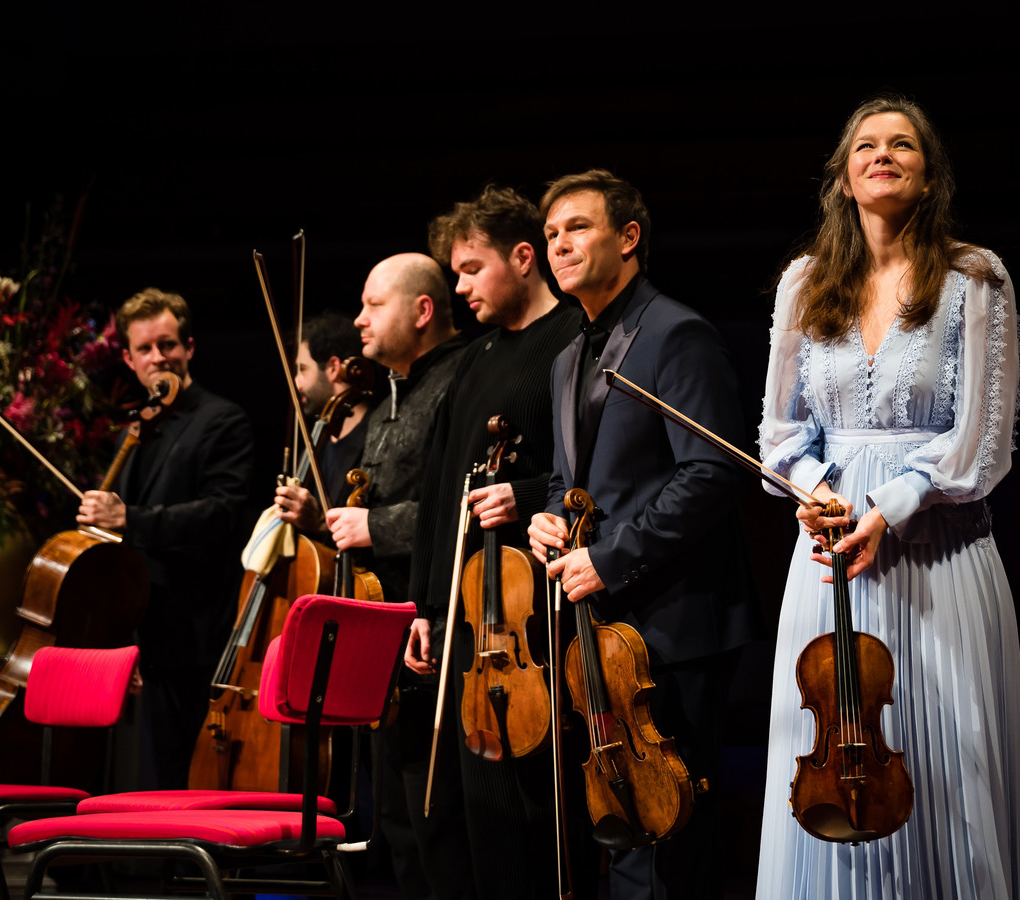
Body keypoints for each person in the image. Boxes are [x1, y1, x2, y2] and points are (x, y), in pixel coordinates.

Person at [755, 95, 1020, 898]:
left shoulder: (976, 278)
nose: (883, 155)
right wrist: (816, 491)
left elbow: (981, 443)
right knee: (833, 758)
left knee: (953, 762)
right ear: (844, 179)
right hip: (831, 557)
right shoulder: (803, 283)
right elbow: (780, 437)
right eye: (866, 147)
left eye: (903, 145)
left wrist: (890, 506)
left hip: (939, 555)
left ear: (928, 174)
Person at [527, 169, 759, 899]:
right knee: (623, 826)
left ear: (629, 238)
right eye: (552, 233)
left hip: (678, 618)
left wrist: (609, 558)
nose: (559, 244)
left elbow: (713, 473)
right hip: (606, 627)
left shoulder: (675, 332)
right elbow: (584, 487)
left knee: (671, 837)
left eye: (578, 227)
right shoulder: (569, 354)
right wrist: (554, 523)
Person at [405, 185, 584, 899]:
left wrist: (531, 491)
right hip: (463, 620)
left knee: (527, 819)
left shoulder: (572, 340)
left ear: (523, 257)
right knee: (460, 821)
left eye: (472, 269)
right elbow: (438, 493)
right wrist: (421, 606)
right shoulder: (472, 361)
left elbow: (584, 474)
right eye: (454, 272)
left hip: (528, 617)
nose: (459, 286)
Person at [276, 253, 473, 900]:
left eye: (373, 305)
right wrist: (320, 524)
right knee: (393, 819)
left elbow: (469, 503)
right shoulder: (391, 390)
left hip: (434, 625)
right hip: (378, 628)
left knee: (432, 819)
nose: (358, 321)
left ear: (421, 311)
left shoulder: (460, 381)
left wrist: (376, 527)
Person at [76, 288, 254, 790]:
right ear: (129, 360)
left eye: (169, 344)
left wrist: (127, 517)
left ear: (190, 347)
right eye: (147, 349)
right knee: (162, 779)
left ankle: (210, 868)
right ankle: (168, 870)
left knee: (204, 776)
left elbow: (221, 515)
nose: (160, 358)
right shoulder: (135, 432)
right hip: (148, 630)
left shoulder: (222, 420)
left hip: (202, 629)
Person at [290, 310, 375, 511]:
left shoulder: (374, 442)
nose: (297, 383)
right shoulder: (317, 445)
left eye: (302, 370)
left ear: (333, 368)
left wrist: (319, 524)